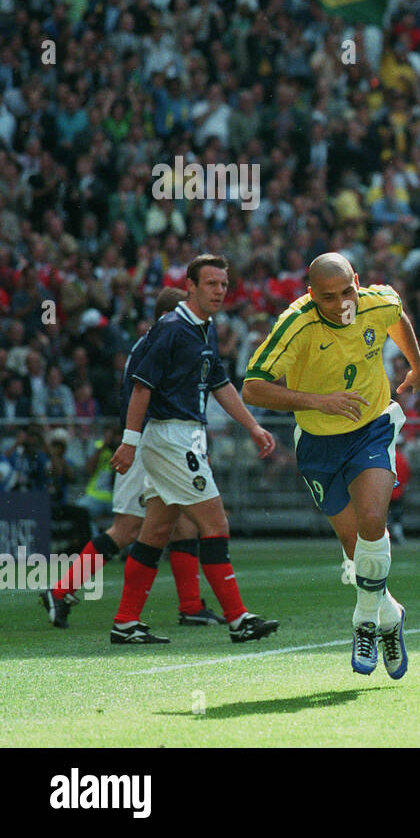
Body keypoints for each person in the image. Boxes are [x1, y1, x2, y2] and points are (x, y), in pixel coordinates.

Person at [242, 253, 420, 678]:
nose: (342, 303)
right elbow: (252, 387)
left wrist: (417, 364)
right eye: (329, 297)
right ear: (311, 295)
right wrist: (318, 401)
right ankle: (389, 615)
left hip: (373, 428)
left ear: (357, 282)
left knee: (372, 520)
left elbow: (396, 317)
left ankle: (363, 621)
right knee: (355, 549)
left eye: (348, 291)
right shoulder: (296, 325)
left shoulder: (377, 301)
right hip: (318, 443)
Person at [107, 255, 279, 645]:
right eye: (211, 283)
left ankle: (125, 621)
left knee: (156, 531)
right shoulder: (171, 328)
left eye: (223, 284)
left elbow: (220, 384)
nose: (219, 290)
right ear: (191, 286)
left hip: (181, 438)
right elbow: (140, 387)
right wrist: (129, 442)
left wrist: (252, 426)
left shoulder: (205, 329)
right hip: (171, 439)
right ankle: (238, 619)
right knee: (215, 525)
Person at [41, 287, 221, 629]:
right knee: (126, 529)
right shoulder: (169, 343)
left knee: (183, 524)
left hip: (153, 444)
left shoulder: (149, 343)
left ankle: (191, 606)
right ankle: (61, 590)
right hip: (149, 446)